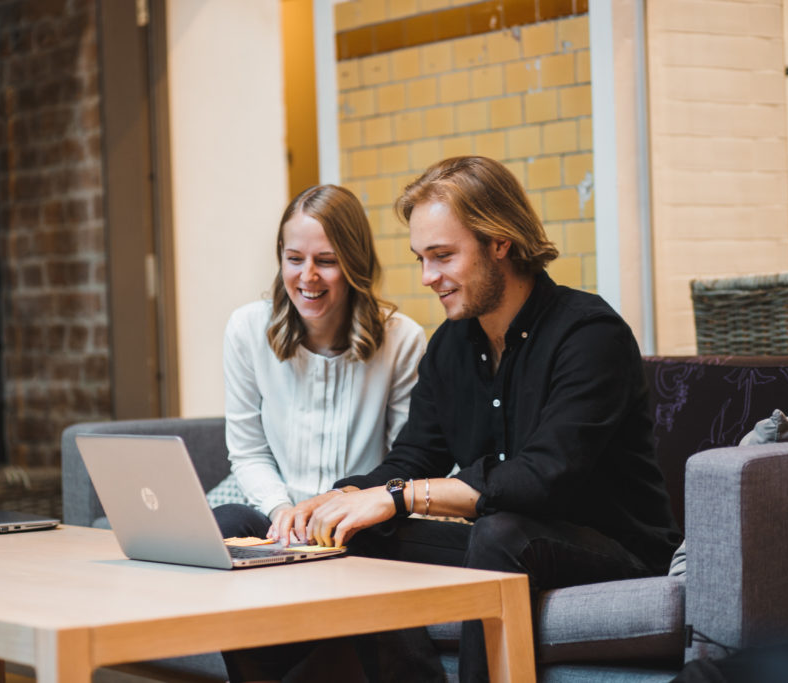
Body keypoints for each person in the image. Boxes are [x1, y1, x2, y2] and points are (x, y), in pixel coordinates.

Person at [264, 156, 683, 682]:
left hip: (615, 547)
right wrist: (340, 499)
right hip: (505, 538)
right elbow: (414, 455)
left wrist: (404, 495)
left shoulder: (589, 334)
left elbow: (543, 478)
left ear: (499, 242)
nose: (427, 277)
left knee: (500, 533)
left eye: (442, 256)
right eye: (421, 258)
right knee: (360, 533)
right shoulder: (451, 345)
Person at [213, 184, 426, 551]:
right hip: (274, 512)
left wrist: (341, 507)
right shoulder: (246, 329)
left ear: (354, 262)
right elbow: (248, 453)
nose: (307, 276)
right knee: (223, 522)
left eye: (326, 261)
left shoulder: (402, 339)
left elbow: (406, 458)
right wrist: (281, 510)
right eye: (294, 259)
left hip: (359, 519)